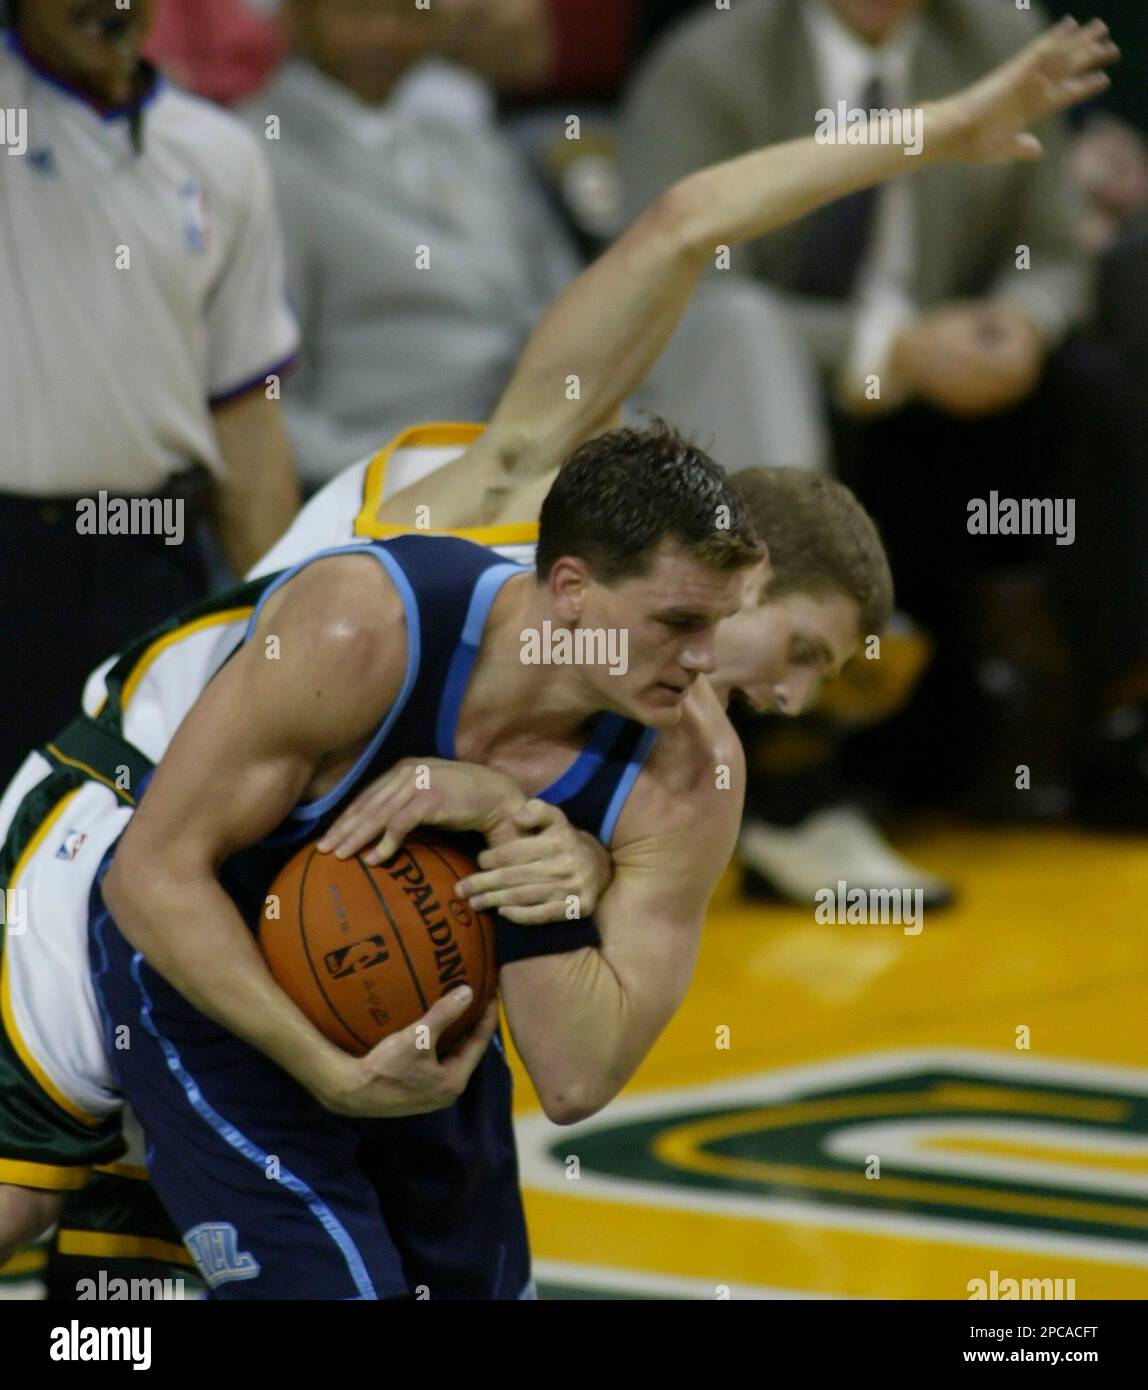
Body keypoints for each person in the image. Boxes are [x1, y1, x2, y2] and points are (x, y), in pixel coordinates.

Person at [0, 17, 1118, 1295]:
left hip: (296, 925)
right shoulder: (476, 506)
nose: (779, 694)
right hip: (122, 838)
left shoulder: (667, 746)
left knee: (152, 1285)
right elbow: (682, 224)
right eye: (787, 647)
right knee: (31, 1193)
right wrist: (929, 132)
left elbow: (576, 1059)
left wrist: (542, 854)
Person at [0, 0, 300, 788]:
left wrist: (282, 619)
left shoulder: (220, 154)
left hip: (152, 557)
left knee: (127, 847)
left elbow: (246, 414)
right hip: (13, 552)